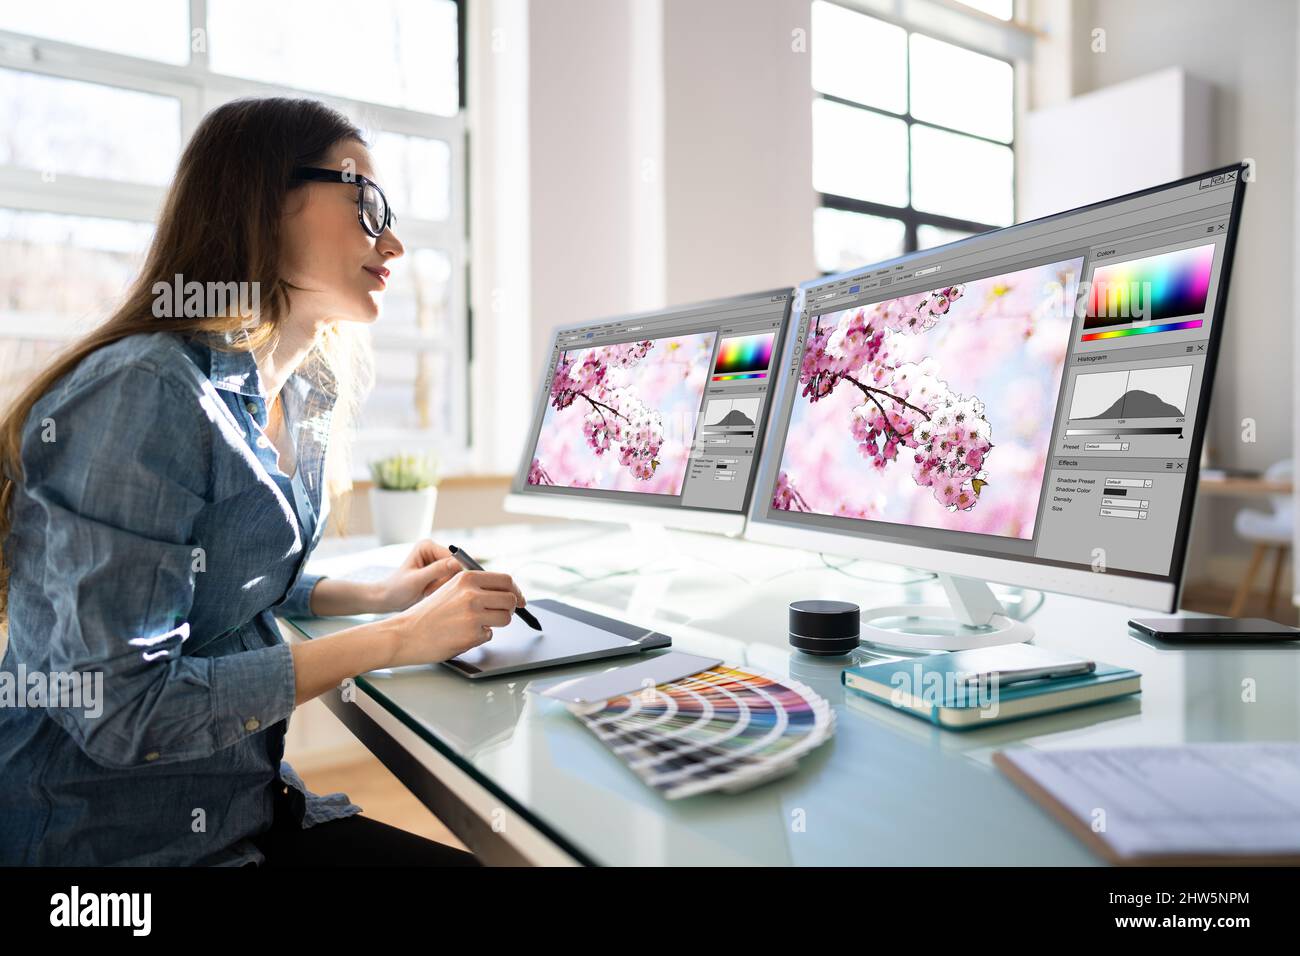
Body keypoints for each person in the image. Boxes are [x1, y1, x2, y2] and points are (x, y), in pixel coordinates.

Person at [0, 97, 523, 866]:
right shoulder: (144, 392)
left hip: (246, 811)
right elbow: (124, 713)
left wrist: (374, 594)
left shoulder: (298, 391)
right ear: (263, 201)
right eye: (367, 202)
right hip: (109, 855)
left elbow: (218, 581)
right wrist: (395, 639)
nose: (396, 242)